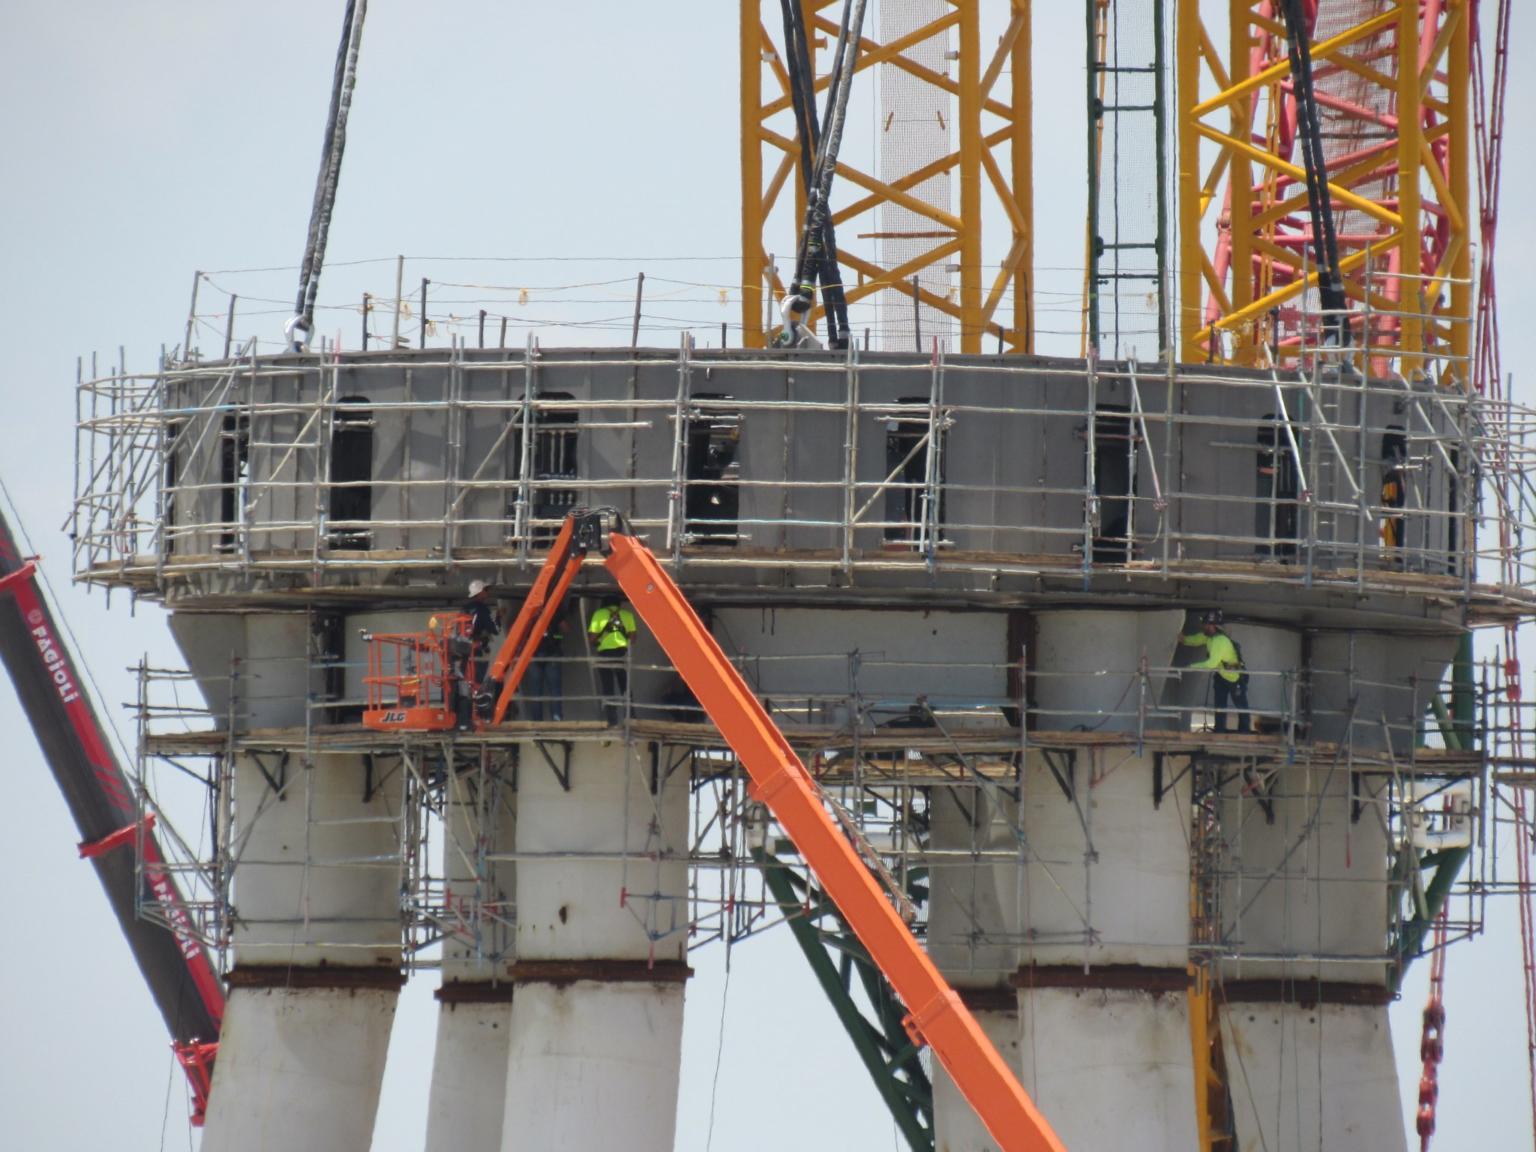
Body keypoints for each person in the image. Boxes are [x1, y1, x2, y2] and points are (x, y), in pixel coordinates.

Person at [1180, 609, 1250, 734]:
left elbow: (1211, 664)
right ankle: (1220, 730)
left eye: (1205, 624)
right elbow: (1195, 640)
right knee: (1219, 707)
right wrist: (1183, 639)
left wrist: (1191, 666)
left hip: (1234, 677)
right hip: (1222, 675)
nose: (1203, 626)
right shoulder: (1209, 637)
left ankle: (1245, 732)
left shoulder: (1220, 641)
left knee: (1241, 707)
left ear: (1212, 626)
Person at [588, 596, 638, 723]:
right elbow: (633, 639)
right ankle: (631, 716)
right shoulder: (627, 615)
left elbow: (592, 638)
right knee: (625, 687)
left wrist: (599, 640)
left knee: (608, 688)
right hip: (621, 654)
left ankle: (612, 720)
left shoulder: (599, 614)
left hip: (605, 655)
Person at [524, 606, 565, 722]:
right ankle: (557, 719)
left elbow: (520, 630)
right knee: (555, 691)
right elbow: (566, 628)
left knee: (536, 691)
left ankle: (537, 722)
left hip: (534, 655)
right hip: (552, 654)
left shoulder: (530, 612)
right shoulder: (555, 610)